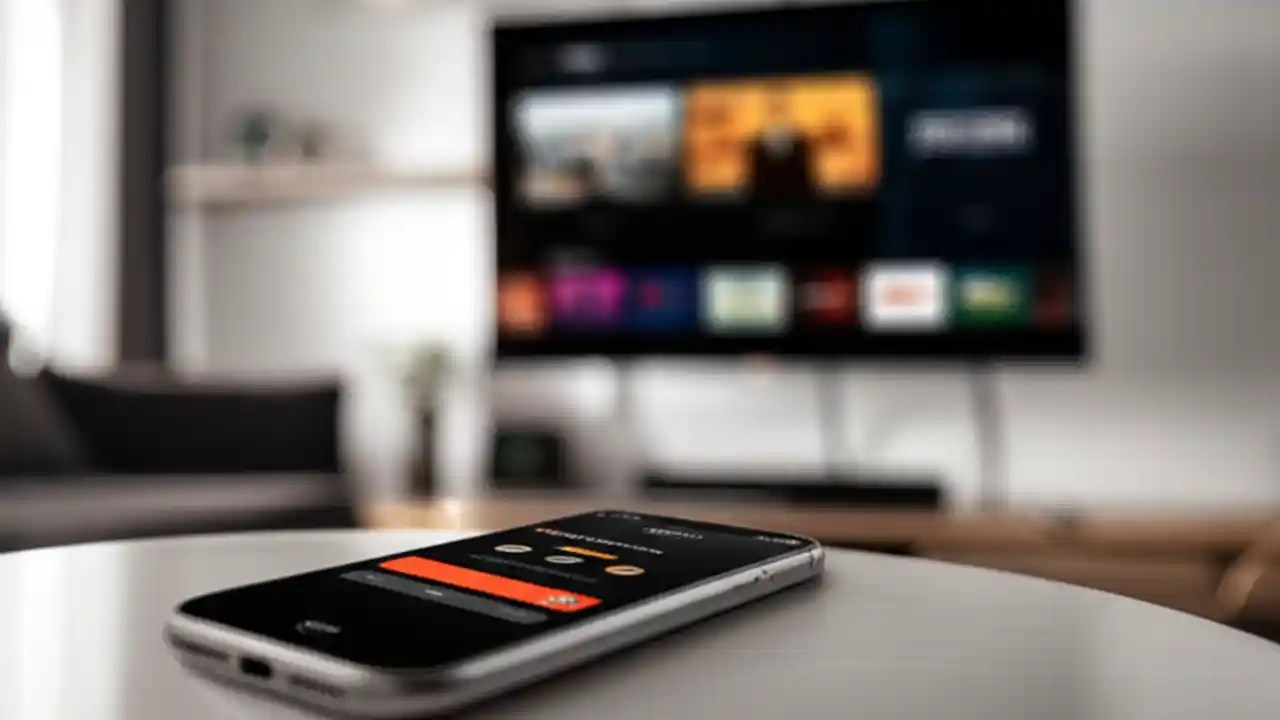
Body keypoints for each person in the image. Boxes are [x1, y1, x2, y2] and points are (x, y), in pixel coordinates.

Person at [747, 84, 815, 200]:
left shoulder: (802, 144)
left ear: (789, 107)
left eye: (781, 105)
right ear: (765, 108)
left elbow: (809, 189)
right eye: (773, 105)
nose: (777, 110)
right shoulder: (754, 147)